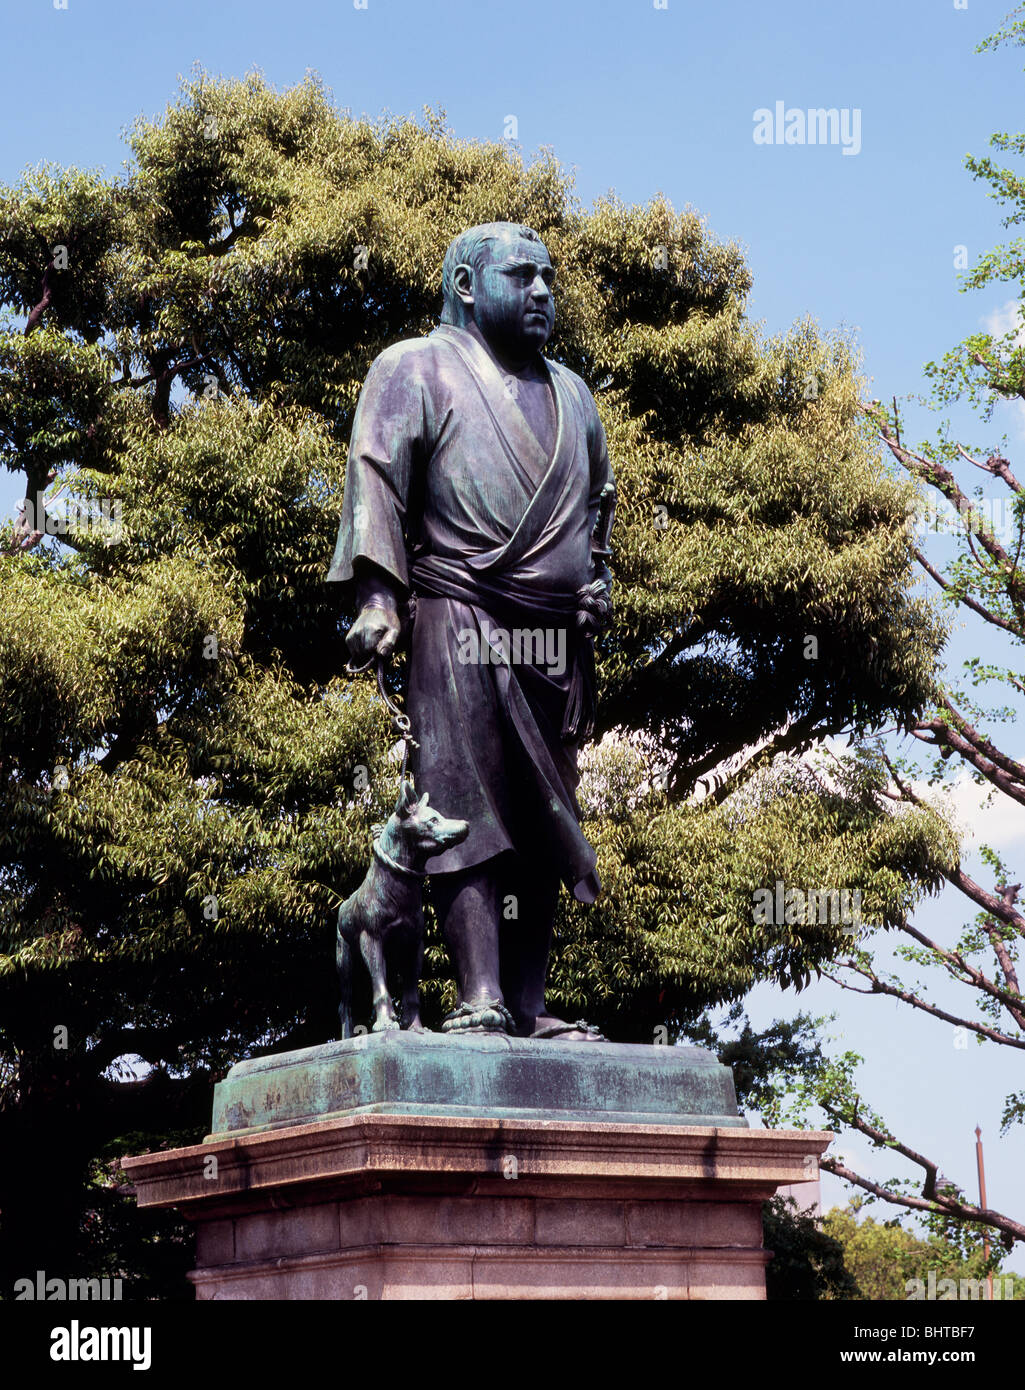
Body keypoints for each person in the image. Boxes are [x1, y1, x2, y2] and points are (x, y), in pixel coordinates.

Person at [327, 221, 614, 1040]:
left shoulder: (574, 394)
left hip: (552, 640)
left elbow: (598, 518)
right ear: (464, 285)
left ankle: (527, 1001)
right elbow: (376, 479)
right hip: (457, 611)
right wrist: (379, 599)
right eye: (521, 277)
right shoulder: (412, 367)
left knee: (542, 814)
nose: (542, 293)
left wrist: (596, 590)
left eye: (548, 279)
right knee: (464, 804)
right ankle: (478, 995)